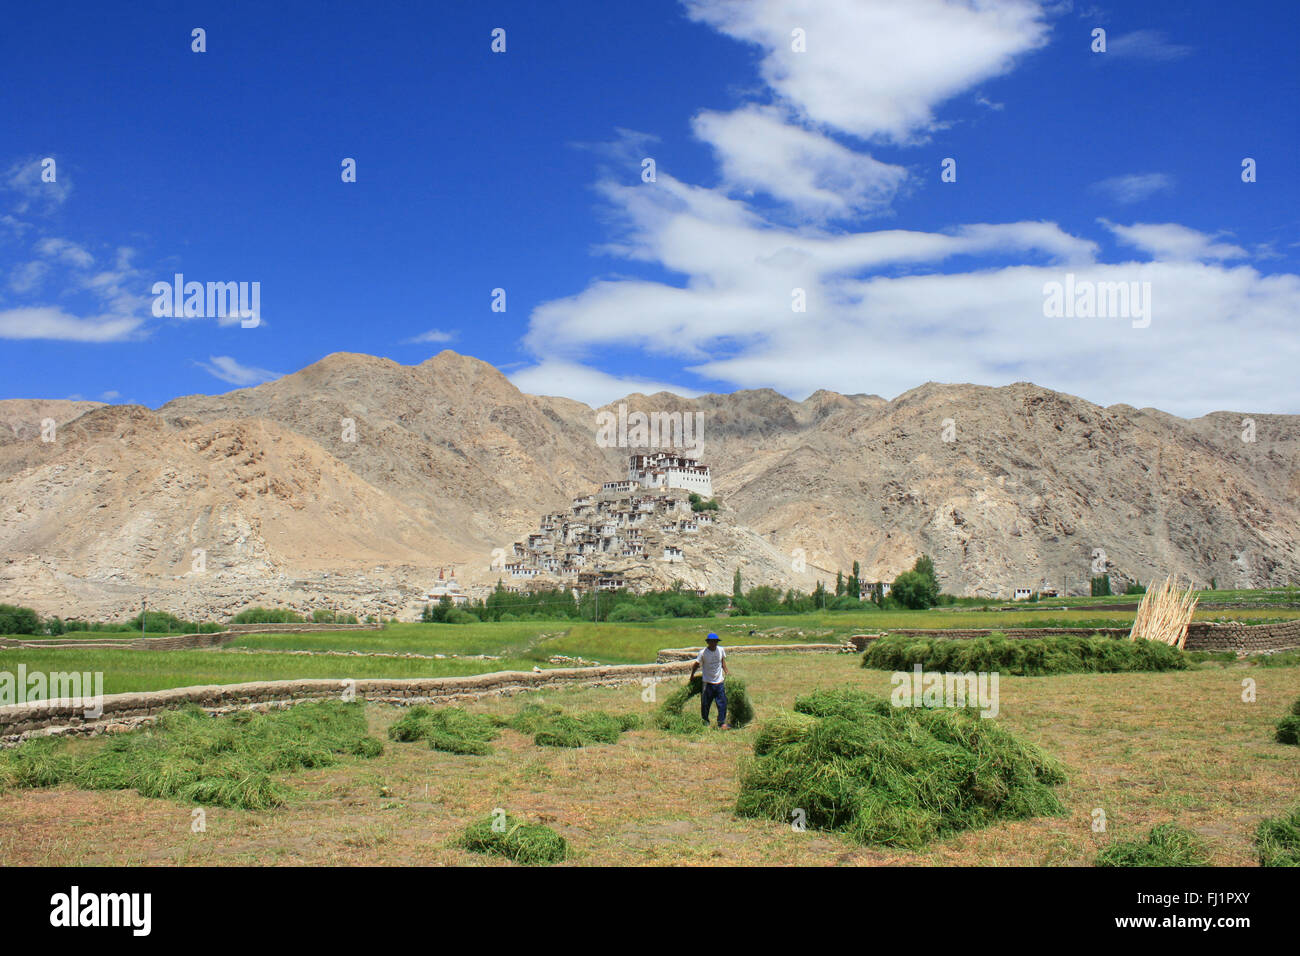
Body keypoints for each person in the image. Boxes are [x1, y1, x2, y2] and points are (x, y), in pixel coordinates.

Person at [688, 633, 730, 729]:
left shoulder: (720, 650)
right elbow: (696, 665)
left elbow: (722, 662)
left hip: (719, 682)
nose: (714, 643)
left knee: (722, 702)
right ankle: (705, 721)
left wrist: (727, 672)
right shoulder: (703, 653)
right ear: (708, 642)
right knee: (705, 703)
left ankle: (721, 722)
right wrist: (692, 676)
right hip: (707, 682)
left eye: (715, 642)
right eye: (712, 642)